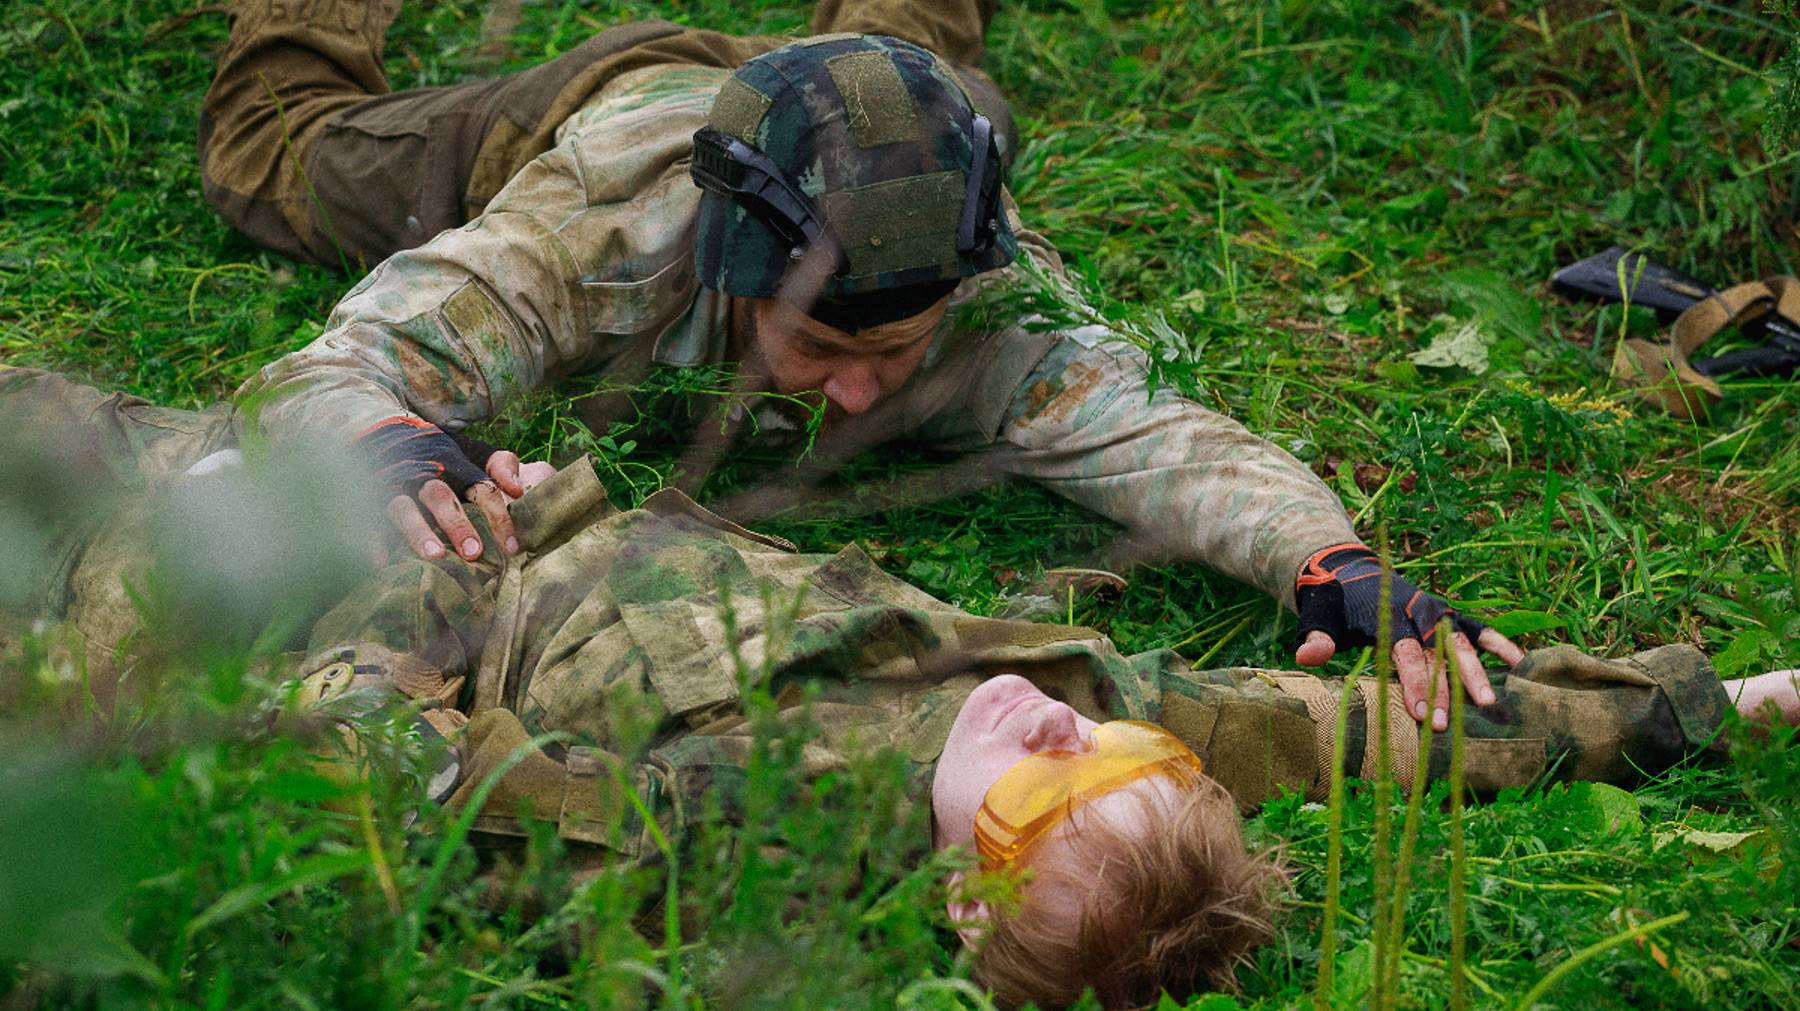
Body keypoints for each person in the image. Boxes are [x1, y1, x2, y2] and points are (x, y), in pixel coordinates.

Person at [7, 365, 1793, 1009]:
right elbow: (1362, 734)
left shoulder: (702, 831)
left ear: (965, 889)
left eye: (1054, 794)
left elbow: (383, 769)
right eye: (1127, 746)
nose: (1062, 729)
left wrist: (384, 575)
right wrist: (1717, 705)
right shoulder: (1028, 699)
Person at [199, 0, 1527, 730]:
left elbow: (1169, 445)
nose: (859, 400)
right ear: (730, 271)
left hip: (864, 104)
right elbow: (338, 366)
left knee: (919, 51)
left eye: (892, 357)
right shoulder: (595, 236)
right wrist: (380, 439)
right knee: (266, 151)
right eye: (824, 348)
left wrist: (1335, 562)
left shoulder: (979, 287)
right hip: (593, 108)